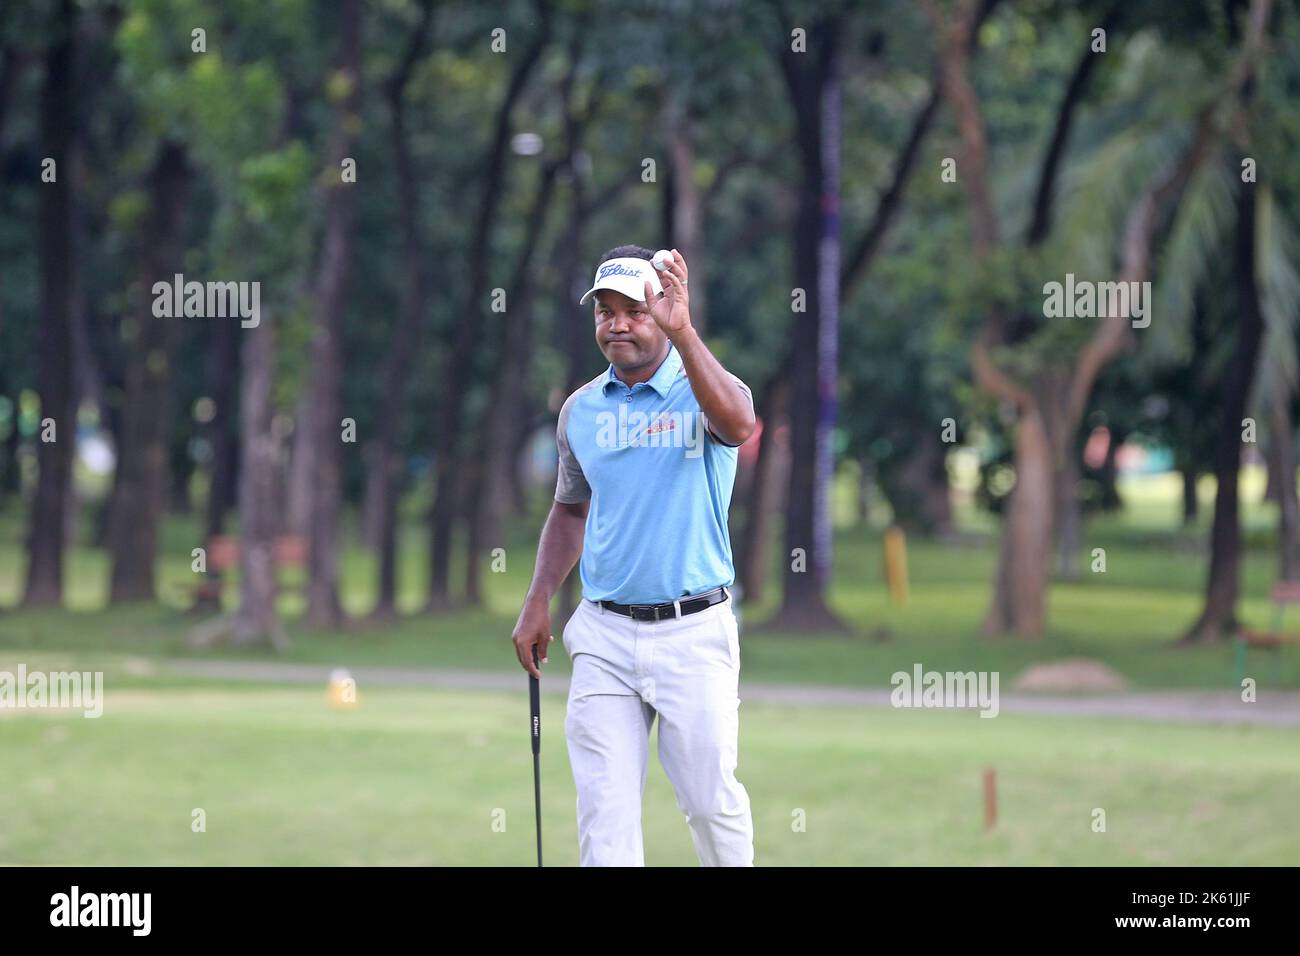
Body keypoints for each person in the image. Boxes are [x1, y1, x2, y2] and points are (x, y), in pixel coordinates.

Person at [511, 244, 757, 867]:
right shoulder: (581, 410)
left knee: (709, 804)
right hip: (604, 635)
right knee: (605, 816)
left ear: (664, 310)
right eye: (605, 311)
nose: (617, 324)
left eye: (635, 311)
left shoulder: (704, 390)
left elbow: (739, 425)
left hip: (694, 632)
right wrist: (538, 600)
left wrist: (685, 332)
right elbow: (571, 510)